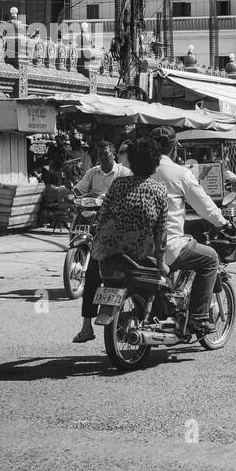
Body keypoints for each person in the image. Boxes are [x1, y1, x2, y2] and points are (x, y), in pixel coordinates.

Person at [76, 137, 170, 344]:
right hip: (137, 253)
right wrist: (162, 262)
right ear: (155, 164)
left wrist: (98, 242)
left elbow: (103, 217)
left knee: (93, 274)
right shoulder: (159, 190)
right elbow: (161, 232)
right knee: (163, 281)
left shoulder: (118, 183)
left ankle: (85, 326)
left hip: (107, 251)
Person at [150, 127, 236, 336]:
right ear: (173, 149)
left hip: (133, 247)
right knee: (210, 258)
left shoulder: (135, 171)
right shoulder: (179, 173)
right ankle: (198, 318)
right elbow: (204, 205)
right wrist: (223, 223)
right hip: (166, 245)